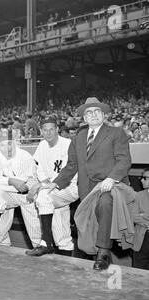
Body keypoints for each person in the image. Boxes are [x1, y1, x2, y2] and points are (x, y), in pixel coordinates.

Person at [43, 97, 132, 271]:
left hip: (110, 186)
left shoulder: (116, 133)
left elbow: (124, 160)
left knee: (105, 204)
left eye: (97, 111)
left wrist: (111, 178)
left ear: (103, 114)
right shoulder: (78, 138)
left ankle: (103, 253)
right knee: (91, 230)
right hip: (86, 190)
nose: (93, 115)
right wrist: (56, 183)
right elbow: (71, 166)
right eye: (89, 112)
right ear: (84, 118)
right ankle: (102, 260)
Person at [25, 117, 78, 256]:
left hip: (69, 187)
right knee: (62, 234)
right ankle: (65, 265)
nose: (48, 133)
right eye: (45, 130)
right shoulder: (42, 145)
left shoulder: (67, 144)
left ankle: (46, 242)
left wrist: (41, 186)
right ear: (41, 131)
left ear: (57, 130)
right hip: (52, 189)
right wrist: (42, 184)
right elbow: (38, 168)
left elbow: (70, 170)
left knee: (43, 197)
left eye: (51, 129)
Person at [132, 168, 149, 270]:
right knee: (137, 272)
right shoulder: (139, 195)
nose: (141, 180)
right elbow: (133, 216)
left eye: (145, 178)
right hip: (141, 240)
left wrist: (143, 215)